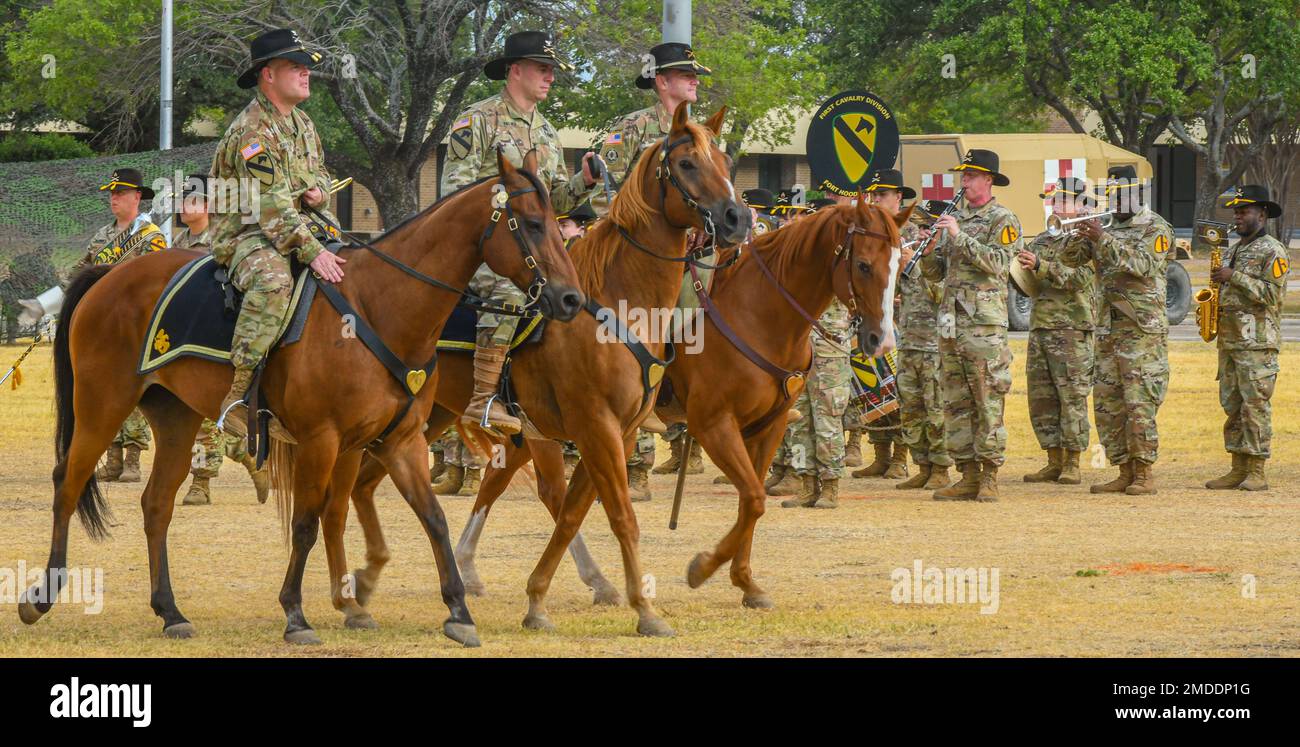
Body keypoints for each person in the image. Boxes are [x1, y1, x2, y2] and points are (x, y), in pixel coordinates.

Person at [443, 31, 599, 436]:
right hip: (479, 249)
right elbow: (453, 194)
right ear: (515, 71)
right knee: (514, 291)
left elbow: (554, 204)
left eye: (551, 71)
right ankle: (483, 400)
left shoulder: (546, 131)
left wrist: (583, 182)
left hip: (535, 247)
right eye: (541, 69)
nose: (550, 77)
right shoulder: (476, 120)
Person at [593, 42, 713, 499]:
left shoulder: (701, 135)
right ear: (662, 81)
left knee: (707, 314)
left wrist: (705, 228)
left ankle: (691, 395)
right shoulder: (632, 128)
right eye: (685, 75)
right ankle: (636, 460)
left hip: (685, 253)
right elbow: (609, 193)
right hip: (630, 256)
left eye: (695, 75)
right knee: (631, 336)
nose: (694, 81)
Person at [210, 28, 343, 441]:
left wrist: (319, 191)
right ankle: (237, 395)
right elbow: (269, 205)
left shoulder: (302, 123)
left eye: (306, 67)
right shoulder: (251, 131)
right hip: (247, 234)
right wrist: (312, 251)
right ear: (267, 75)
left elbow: (320, 173)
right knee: (273, 284)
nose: (306, 73)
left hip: (298, 224)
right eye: (295, 66)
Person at [1059, 165, 1172, 495]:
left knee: (1139, 403)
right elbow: (1072, 261)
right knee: (1109, 404)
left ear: (1138, 194)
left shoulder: (1156, 227)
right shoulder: (1106, 227)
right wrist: (1075, 231)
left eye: (1122, 193)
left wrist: (1101, 237)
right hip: (1107, 329)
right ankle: (1123, 468)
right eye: (1111, 193)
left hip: (1141, 331)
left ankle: (1144, 473)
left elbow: (1142, 265)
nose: (1115, 200)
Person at [919, 149, 1022, 501]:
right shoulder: (954, 217)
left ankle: (990, 475)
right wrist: (930, 247)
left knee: (986, 398)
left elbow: (998, 263)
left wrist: (959, 236)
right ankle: (967, 473)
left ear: (988, 180)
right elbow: (934, 273)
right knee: (956, 401)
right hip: (950, 323)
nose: (964, 181)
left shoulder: (1003, 219)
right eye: (963, 176)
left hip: (982, 326)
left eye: (971, 175)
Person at [172, 174, 271, 505]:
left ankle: (201, 482)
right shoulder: (179, 244)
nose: (184, 206)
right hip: (186, 336)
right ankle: (248, 455)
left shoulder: (223, 241)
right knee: (190, 411)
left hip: (219, 334)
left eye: (191, 199)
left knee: (205, 416)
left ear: (208, 206)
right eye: (182, 199)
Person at [1203, 185, 1289, 491]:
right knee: (1233, 405)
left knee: (1256, 405)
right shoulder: (1232, 249)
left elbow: (1272, 295)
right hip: (1230, 341)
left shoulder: (1273, 250)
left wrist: (1233, 277)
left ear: (1262, 215)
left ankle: (1257, 469)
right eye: (1236, 212)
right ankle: (1237, 467)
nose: (1238, 217)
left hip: (1257, 343)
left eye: (1244, 211)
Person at [88, 167, 168, 483]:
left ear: (137, 196)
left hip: (138, 328)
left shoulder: (151, 238)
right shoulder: (101, 238)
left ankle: (133, 460)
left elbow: (160, 284)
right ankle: (113, 459)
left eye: (120, 192)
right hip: (103, 330)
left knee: (132, 392)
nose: (114, 198)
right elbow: (78, 278)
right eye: (111, 193)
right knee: (105, 392)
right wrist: (47, 305)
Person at [1017, 177, 1097, 485]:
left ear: (1079, 205)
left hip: (1072, 329)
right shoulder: (1042, 239)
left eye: (1063, 200)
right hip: (1041, 327)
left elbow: (1081, 279)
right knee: (1042, 397)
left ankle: (1073, 462)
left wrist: (1042, 266)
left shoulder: (1087, 238)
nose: (1056, 206)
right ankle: (1052, 459)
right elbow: (1029, 281)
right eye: (1053, 200)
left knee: (1072, 396)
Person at [853, 168, 911, 481]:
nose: (877, 200)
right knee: (872, 389)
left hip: (907, 322)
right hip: (875, 319)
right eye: (874, 195)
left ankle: (901, 457)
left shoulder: (910, 228)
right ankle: (881, 454)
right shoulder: (870, 231)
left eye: (883, 195)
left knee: (899, 392)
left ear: (898, 198)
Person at [778, 299, 854, 509]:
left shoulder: (837, 266)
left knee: (827, 422)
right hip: (798, 351)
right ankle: (807, 485)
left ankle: (830, 487)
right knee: (798, 422)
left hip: (829, 350)